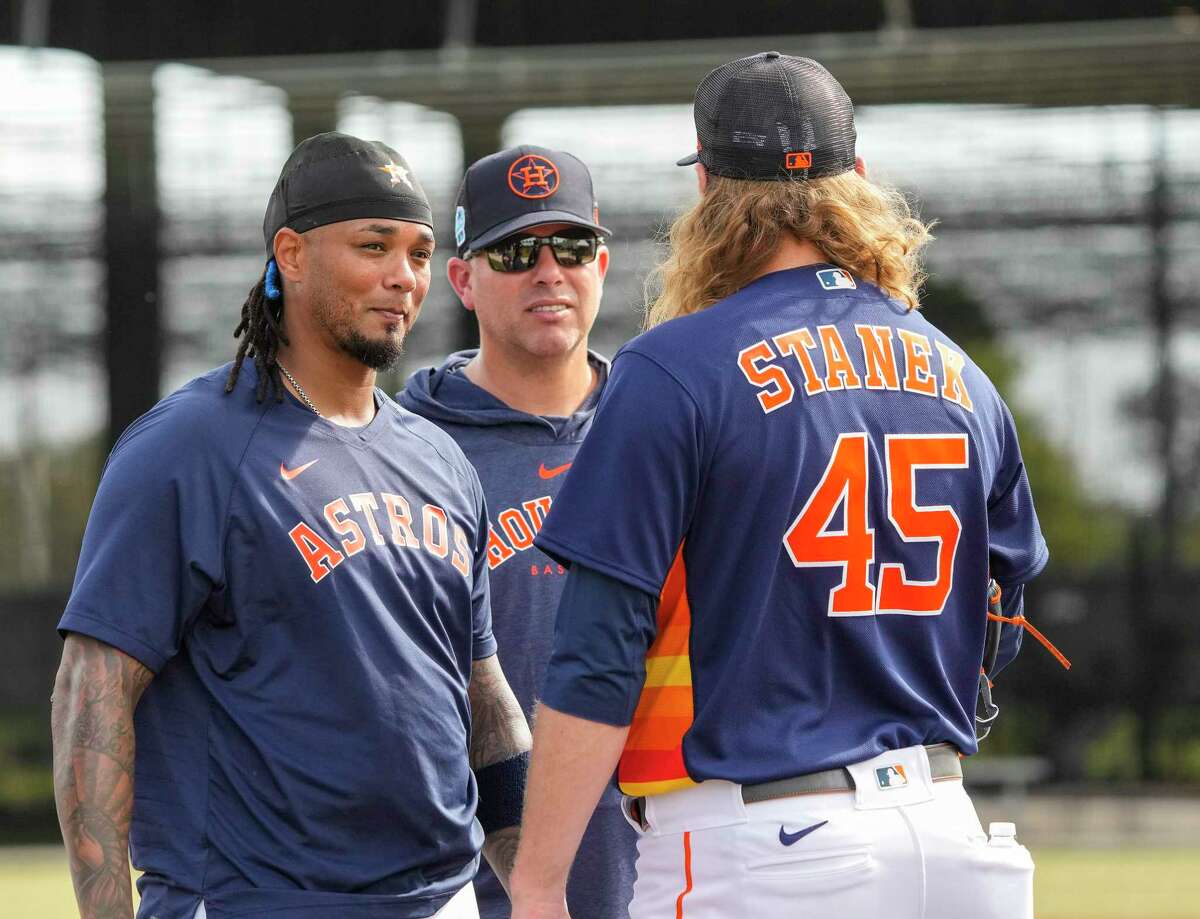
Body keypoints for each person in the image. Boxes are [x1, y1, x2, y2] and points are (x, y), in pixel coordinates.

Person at [509, 54, 1051, 919]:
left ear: (710, 193)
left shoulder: (672, 368)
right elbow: (1002, 618)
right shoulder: (961, 374)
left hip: (764, 848)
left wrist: (537, 884)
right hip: (950, 837)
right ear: (860, 181)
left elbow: (596, 650)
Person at [50, 132, 531, 919]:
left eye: (418, 252)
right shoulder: (188, 447)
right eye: (373, 246)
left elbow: (485, 698)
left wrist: (535, 882)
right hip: (259, 898)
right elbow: (90, 698)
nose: (402, 277)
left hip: (442, 898)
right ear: (292, 254)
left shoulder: (439, 460)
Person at [398, 145, 637, 919]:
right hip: (464, 875)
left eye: (570, 247)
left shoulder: (661, 428)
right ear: (463, 279)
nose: (548, 270)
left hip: (667, 855)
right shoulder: (402, 446)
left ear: (600, 263)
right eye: (513, 251)